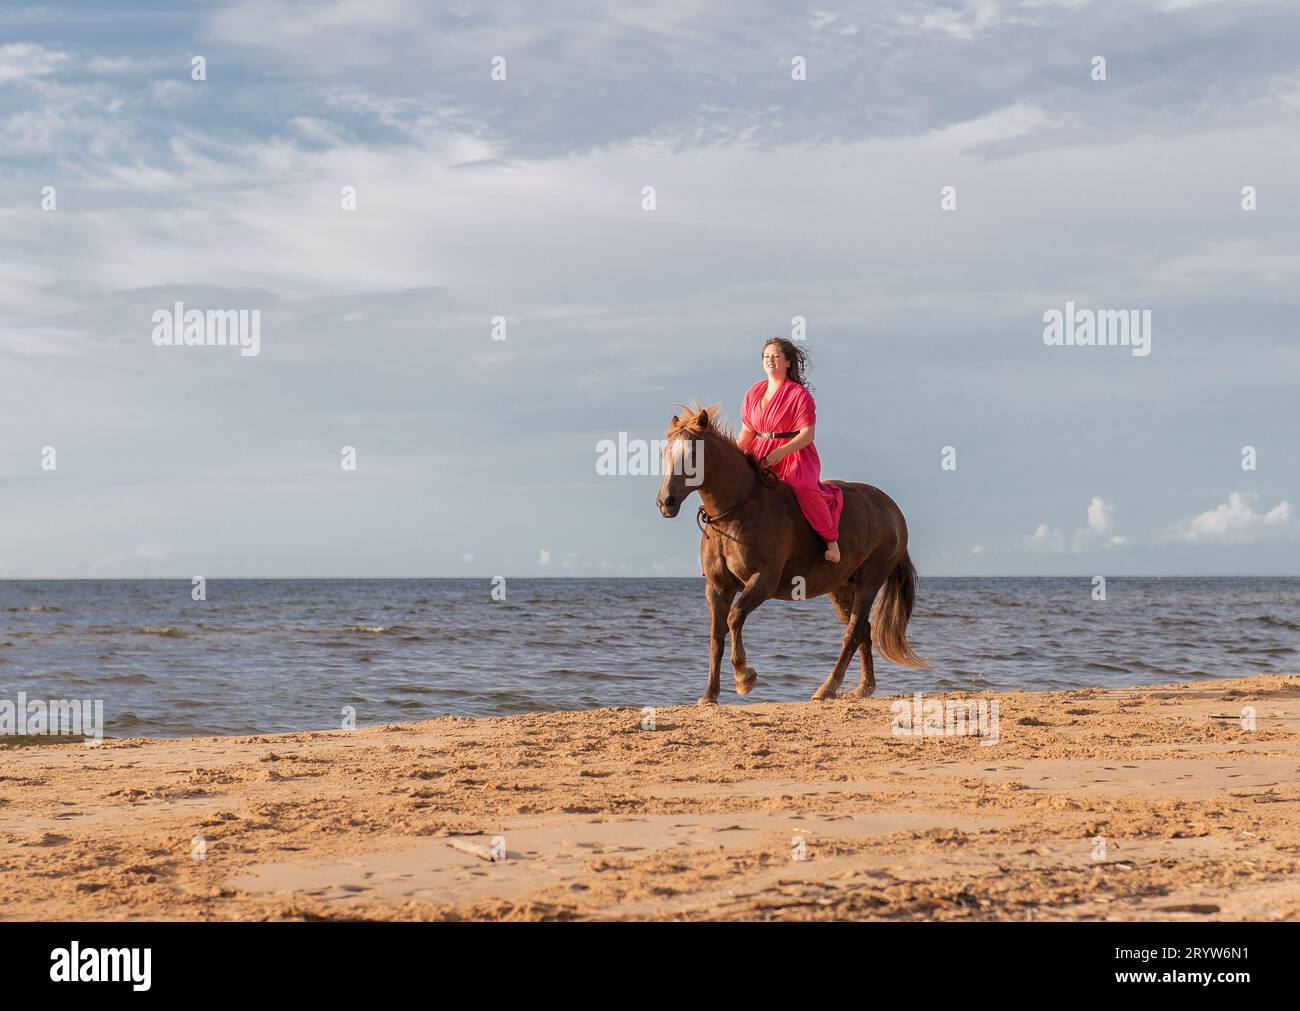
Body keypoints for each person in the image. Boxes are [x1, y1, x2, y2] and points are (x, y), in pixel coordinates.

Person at [737, 338, 844, 562]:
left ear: (787, 362)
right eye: (767, 357)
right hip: (759, 451)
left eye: (776, 356)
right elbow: (748, 430)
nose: (771, 361)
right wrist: (737, 457)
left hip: (794, 452)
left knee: (803, 488)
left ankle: (831, 542)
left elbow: (807, 434)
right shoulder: (754, 392)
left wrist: (780, 452)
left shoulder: (798, 394)